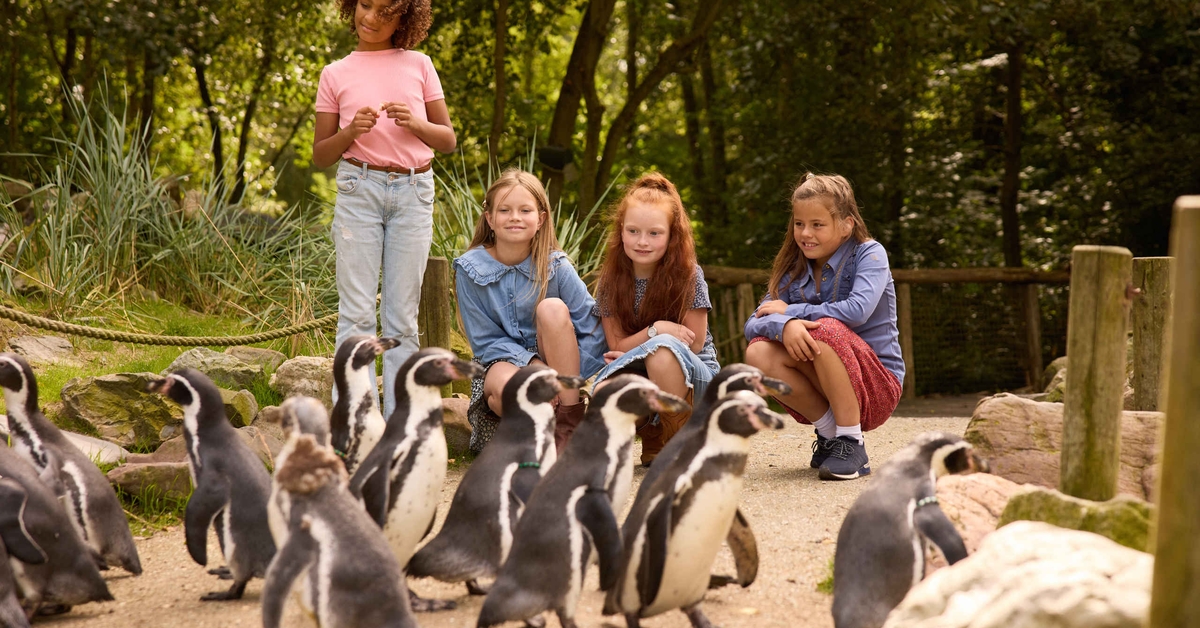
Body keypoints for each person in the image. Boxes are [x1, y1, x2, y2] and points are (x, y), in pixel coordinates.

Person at [312, 0, 456, 419]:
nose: (372, 18)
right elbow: (321, 155)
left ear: (404, 20)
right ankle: (354, 426)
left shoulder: (419, 64)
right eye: (366, 6)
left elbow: (446, 139)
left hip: (414, 193)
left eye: (386, 12)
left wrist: (416, 124)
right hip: (359, 190)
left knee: (402, 319)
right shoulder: (335, 73)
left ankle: (400, 428)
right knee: (355, 314)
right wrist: (349, 131)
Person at [744, 172, 904, 481]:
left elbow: (856, 311)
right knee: (758, 352)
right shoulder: (794, 268)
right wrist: (787, 324)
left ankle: (852, 443)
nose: (805, 233)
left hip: (877, 386)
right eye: (799, 224)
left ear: (846, 225)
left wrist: (791, 310)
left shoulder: (870, 254)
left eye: (818, 225)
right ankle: (831, 436)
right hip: (825, 383)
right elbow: (755, 322)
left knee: (825, 328)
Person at [454, 169, 607, 453]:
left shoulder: (556, 267)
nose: (514, 217)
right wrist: (537, 369)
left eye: (525, 210)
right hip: (499, 361)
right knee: (503, 392)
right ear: (489, 218)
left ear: (541, 219)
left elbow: (593, 329)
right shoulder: (469, 269)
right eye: (505, 210)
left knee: (551, 308)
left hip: (560, 369)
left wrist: (564, 382)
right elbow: (486, 341)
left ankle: (568, 423)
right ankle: (528, 435)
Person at [591, 173, 720, 466]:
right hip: (642, 371)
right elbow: (616, 345)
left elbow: (696, 343)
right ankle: (653, 436)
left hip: (695, 378)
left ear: (673, 235)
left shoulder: (688, 275)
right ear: (621, 230)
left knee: (661, 353)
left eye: (654, 233)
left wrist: (652, 342)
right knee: (603, 391)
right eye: (633, 231)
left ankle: (682, 442)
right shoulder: (611, 281)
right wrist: (658, 330)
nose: (642, 242)